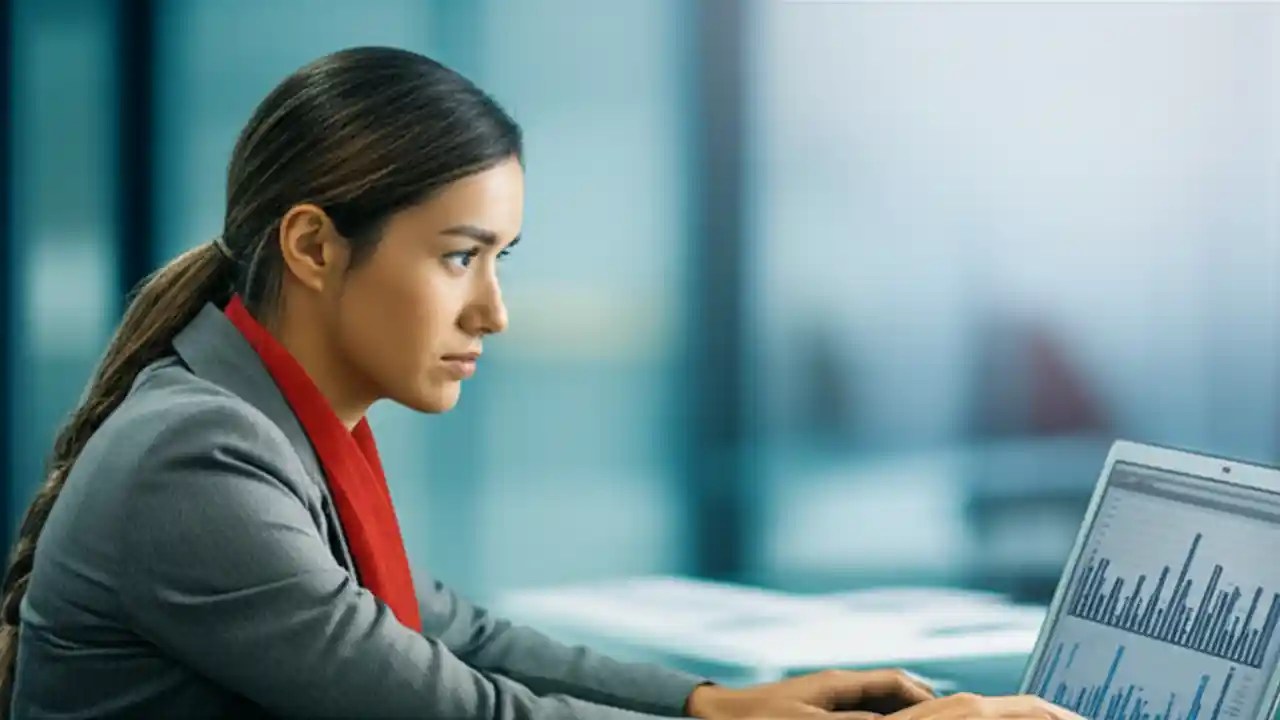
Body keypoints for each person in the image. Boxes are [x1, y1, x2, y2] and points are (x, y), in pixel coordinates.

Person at [0, 47, 1082, 720]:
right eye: (457, 256)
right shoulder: (201, 456)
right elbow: (447, 706)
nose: (492, 312)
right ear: (315, 247)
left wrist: (714, 704)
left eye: (498, 261)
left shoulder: (271, 422)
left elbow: (449, 634)